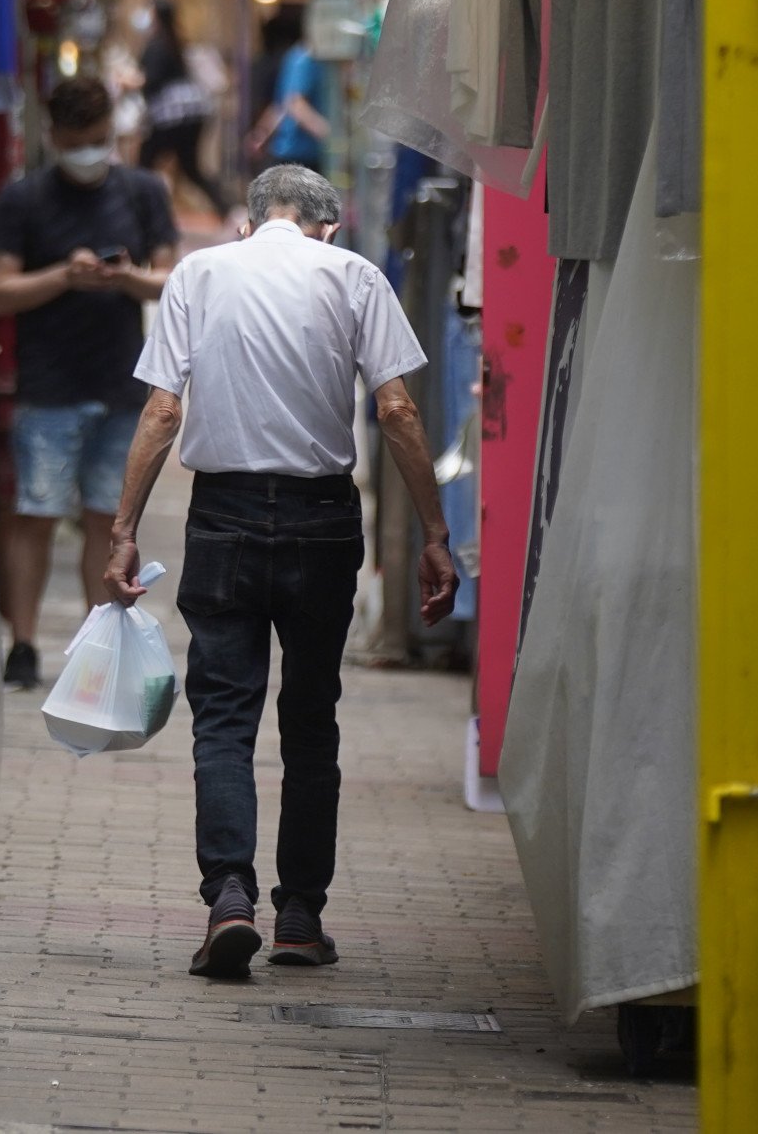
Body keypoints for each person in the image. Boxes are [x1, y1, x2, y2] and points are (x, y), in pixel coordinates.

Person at [104, 164, 458, 978]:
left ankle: (229, 895)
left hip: (223, 518)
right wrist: (436, 532)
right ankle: (300, 914)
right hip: (322, 521)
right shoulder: (353, 274)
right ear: (327, 227)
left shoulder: (199, 273)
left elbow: (163, 410)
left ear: (249, 223)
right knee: (310, 718)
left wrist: (123, 530)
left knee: (223, 714)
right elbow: (398, 409)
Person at [0, 76, 180, 688]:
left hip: (124, 382)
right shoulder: (24, 199)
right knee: (35, 514)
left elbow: (179, 280)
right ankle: (22, 643)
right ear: (54, 137)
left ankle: (102, 644)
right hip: (48, 386)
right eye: (77, 143)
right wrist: (64, 276)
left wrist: (126, 279)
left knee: (109, 520)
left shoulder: (144, 191)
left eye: (98, 141)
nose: (89, 153)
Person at [137, 0, 230, 219]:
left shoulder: (157, 45)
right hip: (193, 111)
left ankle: (138, 212)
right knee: (192, 168)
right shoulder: (176, 40)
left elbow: (151, 80)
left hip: (170, 116)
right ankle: (227, 210)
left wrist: (129, 81)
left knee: (144, 164)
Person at [246, 27, 332, 175]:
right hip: (300, 156)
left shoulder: (296, 56)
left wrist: (261, 134)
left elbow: (280, 106)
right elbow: (296, 105)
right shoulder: (306, 58)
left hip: (291, 155)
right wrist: (331, 135)